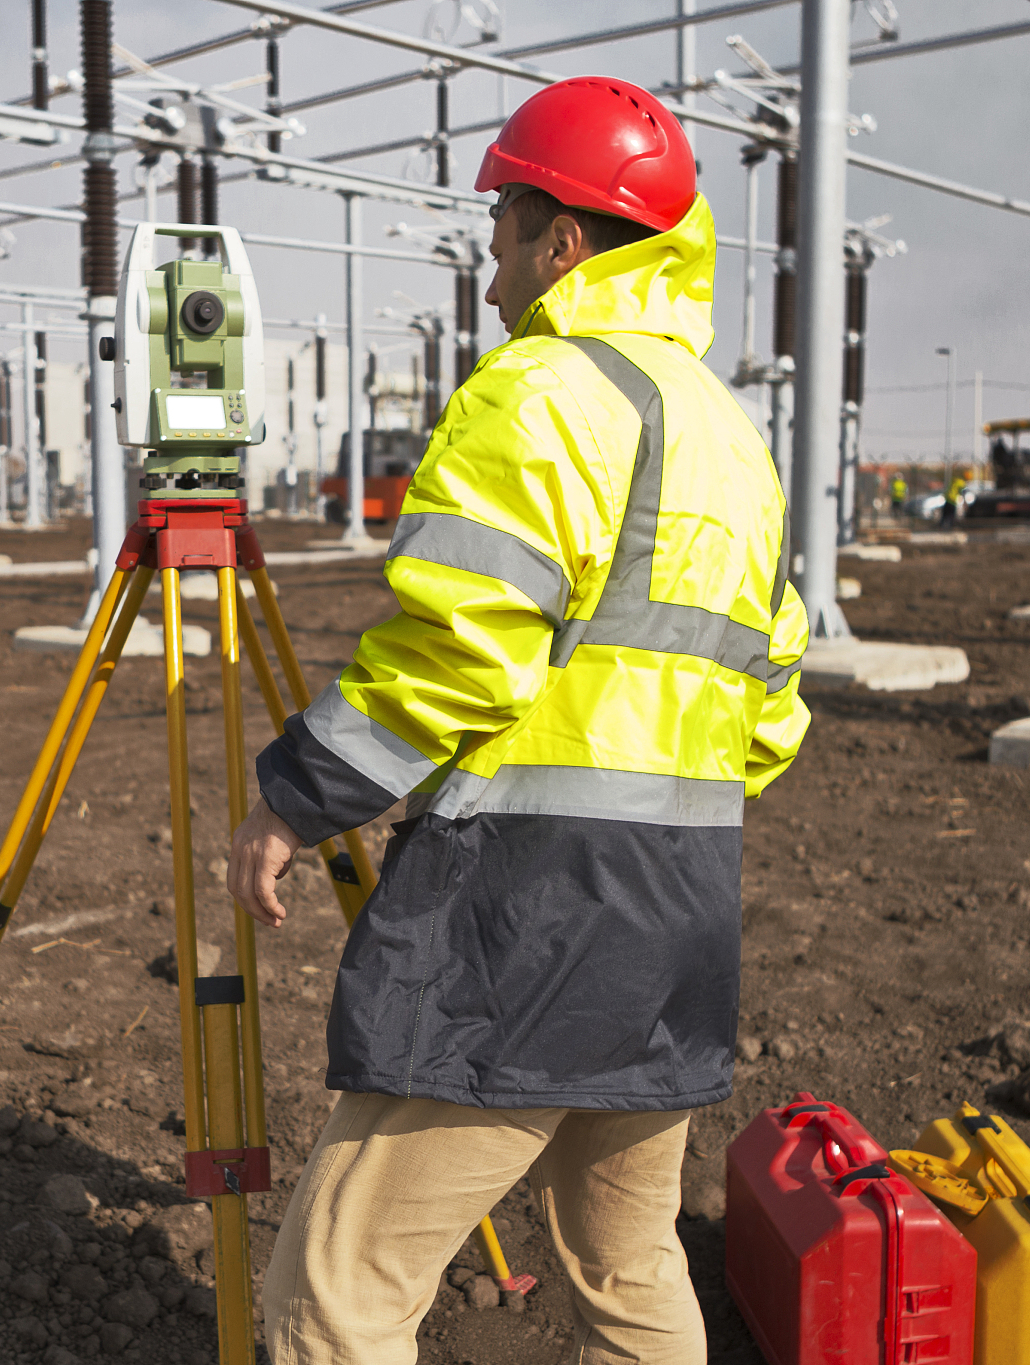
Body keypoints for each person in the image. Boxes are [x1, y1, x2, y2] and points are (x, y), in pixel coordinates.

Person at [227, 76, 811, 1365]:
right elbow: (769, 711)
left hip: (524, 923)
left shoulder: (544, 393)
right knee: (628, 1268)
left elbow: (458, 651)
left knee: (340, 1293)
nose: (489, 270)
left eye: (501, 230)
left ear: (563, 240)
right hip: (678, 921)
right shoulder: (729, 436)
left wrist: (293, 800)